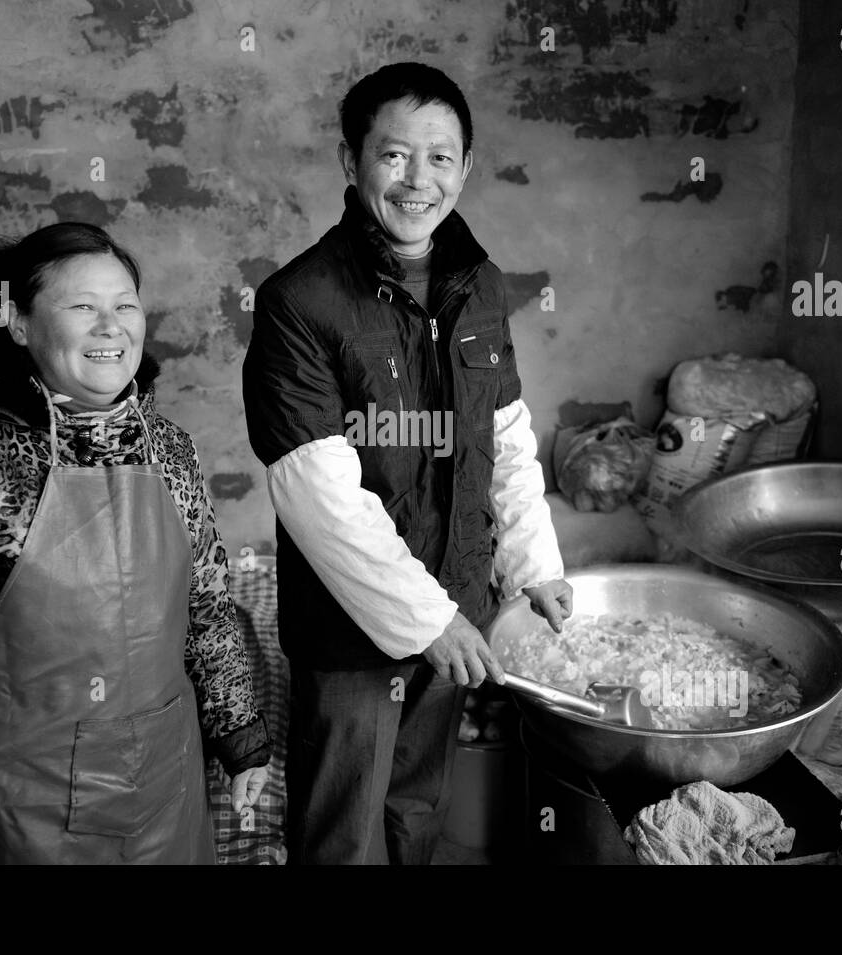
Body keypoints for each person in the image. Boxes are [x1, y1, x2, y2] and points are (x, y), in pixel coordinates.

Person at [0, 222, 271, 864]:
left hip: (167, 796)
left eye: (125, 305)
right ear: (18, 324)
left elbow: (206, 611)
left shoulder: (170, 450)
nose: (111, 326)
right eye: (82, 307)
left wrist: (240, 737)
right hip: (21, 817)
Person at [242, 62, 570, 865]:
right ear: (350, 162)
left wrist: (533, 564)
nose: (417, 179)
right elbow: (320, 501)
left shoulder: (481, 286)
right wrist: (431, 621)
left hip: (455, 597)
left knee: (417, 809)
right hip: (356, 630)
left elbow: (508, 438)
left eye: (439, 156)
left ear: (466, 165)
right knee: (343, 831)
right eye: (393, 155)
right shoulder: (301, 301)